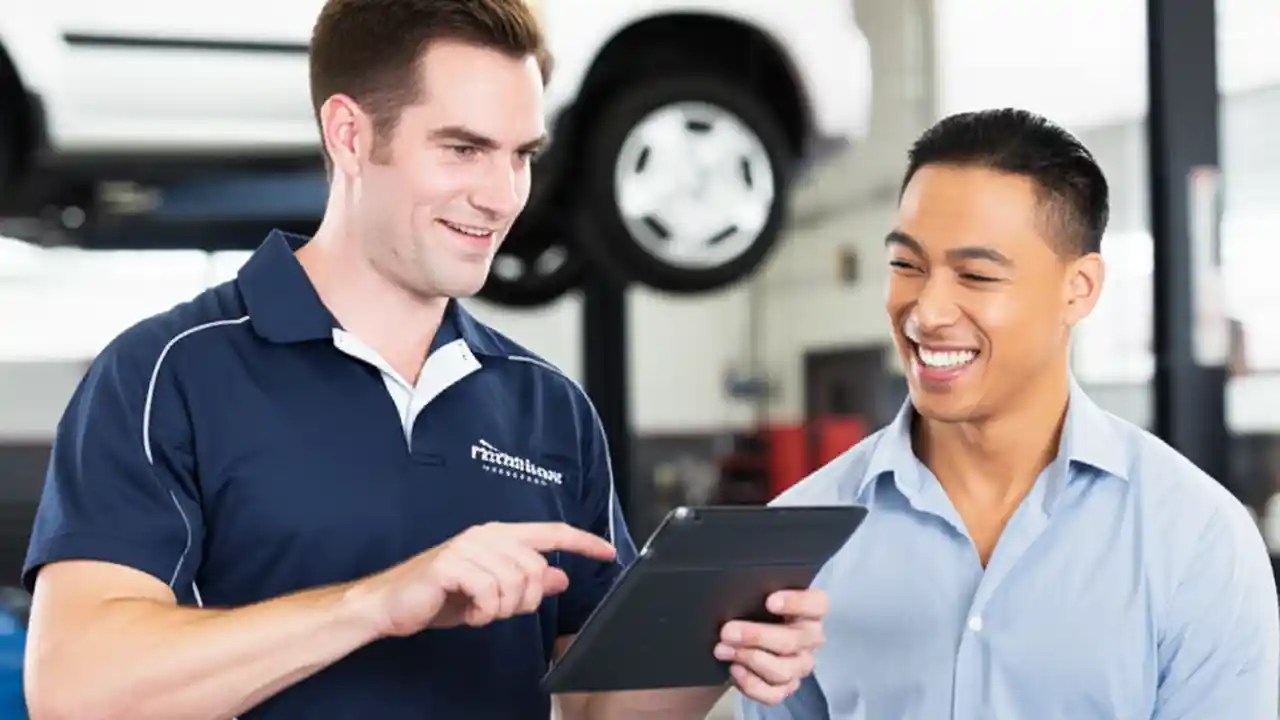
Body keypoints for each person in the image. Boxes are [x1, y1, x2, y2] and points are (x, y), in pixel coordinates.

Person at [20, 1, 828, 718]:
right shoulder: (168, 373)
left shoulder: (546, 406)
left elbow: (592, 709)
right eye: (464, 149)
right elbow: (76, 690)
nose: (504, 194)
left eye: (521, 154)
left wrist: (720, 648)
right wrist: (379, 603)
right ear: (350, 134)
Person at [739, 108, 1280, 719]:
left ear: (1079, 289)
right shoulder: (799, 536)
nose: (928, 311)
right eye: (906, 266)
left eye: (975, 274)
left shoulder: (1194, 538)